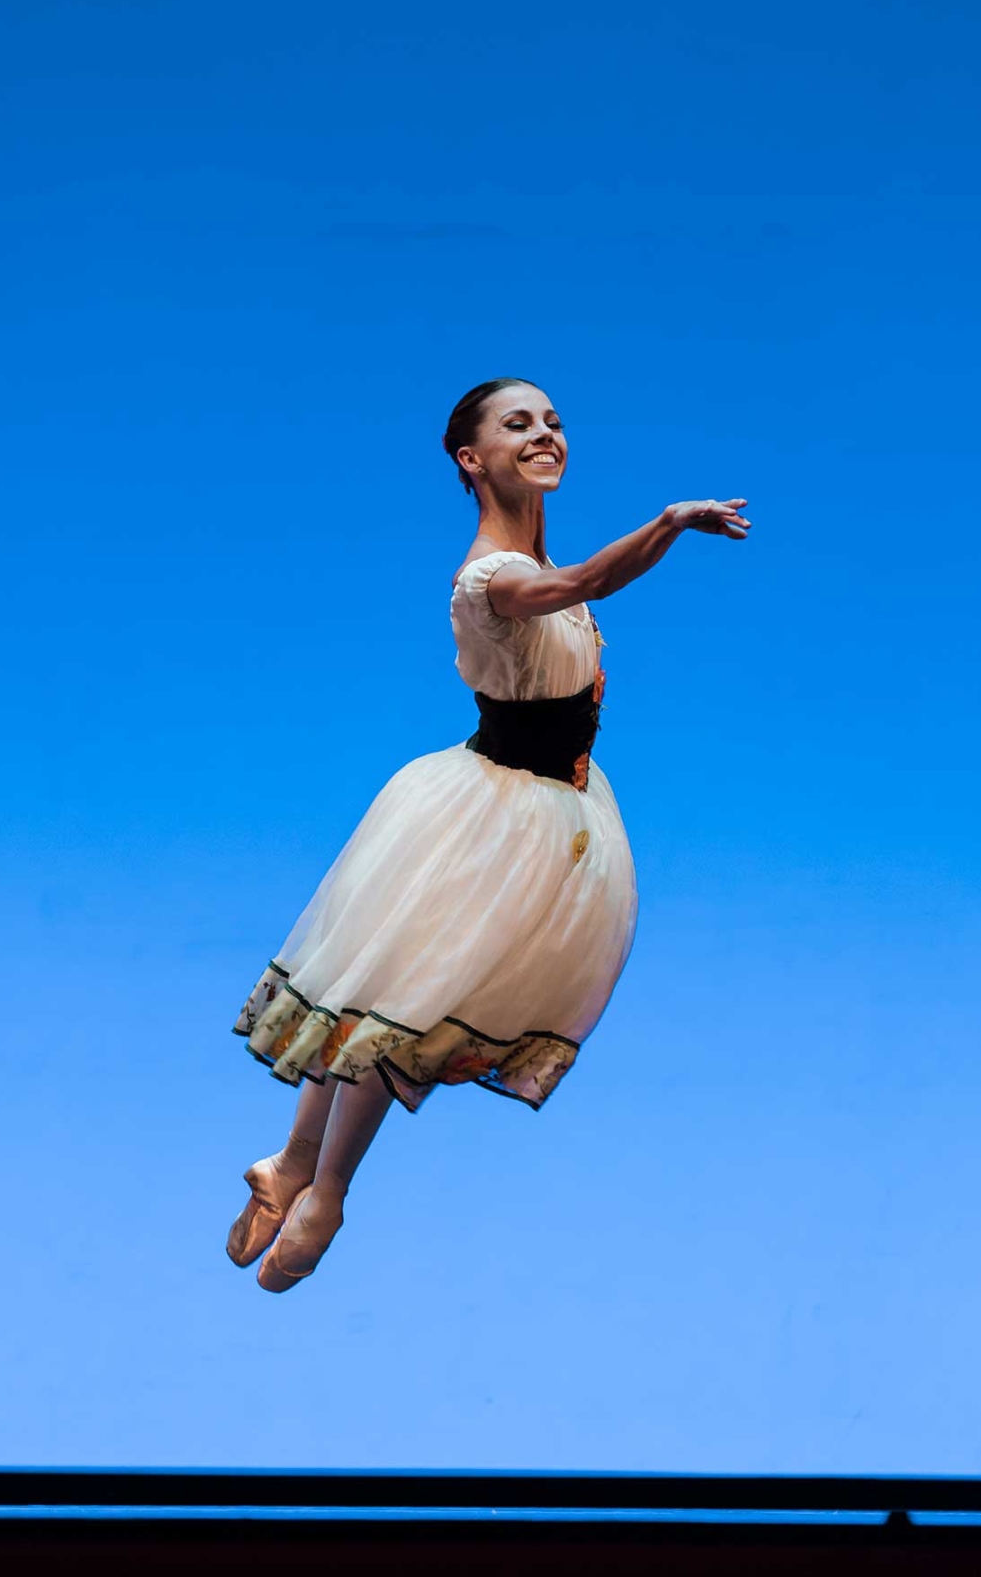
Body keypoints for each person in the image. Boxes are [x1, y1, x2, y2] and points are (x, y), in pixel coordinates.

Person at [227, 378, 751, 1290]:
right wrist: (669, 525)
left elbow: (572, 589)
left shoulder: (529, 567)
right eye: (519, 424)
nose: (544, 433)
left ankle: (293, 1162)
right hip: (485, 822)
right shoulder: (494, 577)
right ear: (472, 459)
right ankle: (324, 1193)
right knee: (404, 1007)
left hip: (560, 817)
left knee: (391, 998)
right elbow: (579, 581)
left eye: (553, 422)